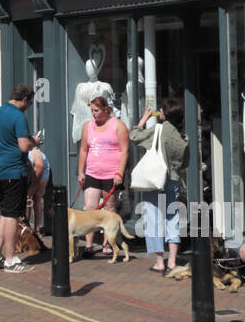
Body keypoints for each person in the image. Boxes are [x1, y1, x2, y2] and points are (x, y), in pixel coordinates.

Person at [129, 98, 188, 273]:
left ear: (163, 113)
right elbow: (186, 163)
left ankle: (159, 262)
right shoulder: (183, 136)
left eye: (161, 110)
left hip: (156, 180)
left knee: (153, 219)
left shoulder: (159, 129)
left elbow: (134, 137)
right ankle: (172, 261)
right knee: (172, 219)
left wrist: (143, 120)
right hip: (174, 180)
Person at [0, 84, 39, 273]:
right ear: (25, 100)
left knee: (4, 213)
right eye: (30, 103)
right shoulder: (18, 116)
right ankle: (10, 260)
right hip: (13, 172)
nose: (29, 107)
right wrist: (34, 141)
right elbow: (24, 146)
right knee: (11, 216)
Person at [76, 96, 129, 257]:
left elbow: (125, 150)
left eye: (97, 110)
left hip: (111, 175)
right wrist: (80, 171)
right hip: (92, 173)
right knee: (90, 208)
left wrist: (120, 172)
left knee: (109, 209)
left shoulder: (118, 125)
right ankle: (89, 244)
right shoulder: (88, 126)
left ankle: (107, 243)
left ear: (106, 109)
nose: (94, 114)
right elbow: (84, 150)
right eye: (92, 110)